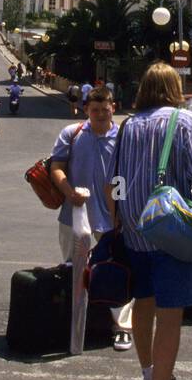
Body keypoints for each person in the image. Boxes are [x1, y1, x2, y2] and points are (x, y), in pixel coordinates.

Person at [105, 63, 192, 380]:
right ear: (175, 87)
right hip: (172, 234)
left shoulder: (128, 126)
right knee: (171, 318)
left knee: (143, 304)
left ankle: (151, 374)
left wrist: (118, 221)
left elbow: (115, 182)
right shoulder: (185, 123)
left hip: (135, 230)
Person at [49, 86, 133, 350]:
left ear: (113, 107)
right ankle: (76, 324)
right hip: (73, 215)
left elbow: (124, 177)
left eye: (104, 109)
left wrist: (120, 212)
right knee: (73, 271)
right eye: (94, 109)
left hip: (111, 219)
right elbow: (57, 168)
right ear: (86, 109)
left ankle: (122, 328)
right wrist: (69, 192)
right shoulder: (71, 134)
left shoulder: (122, 138)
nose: (99, 114)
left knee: (116, 273)